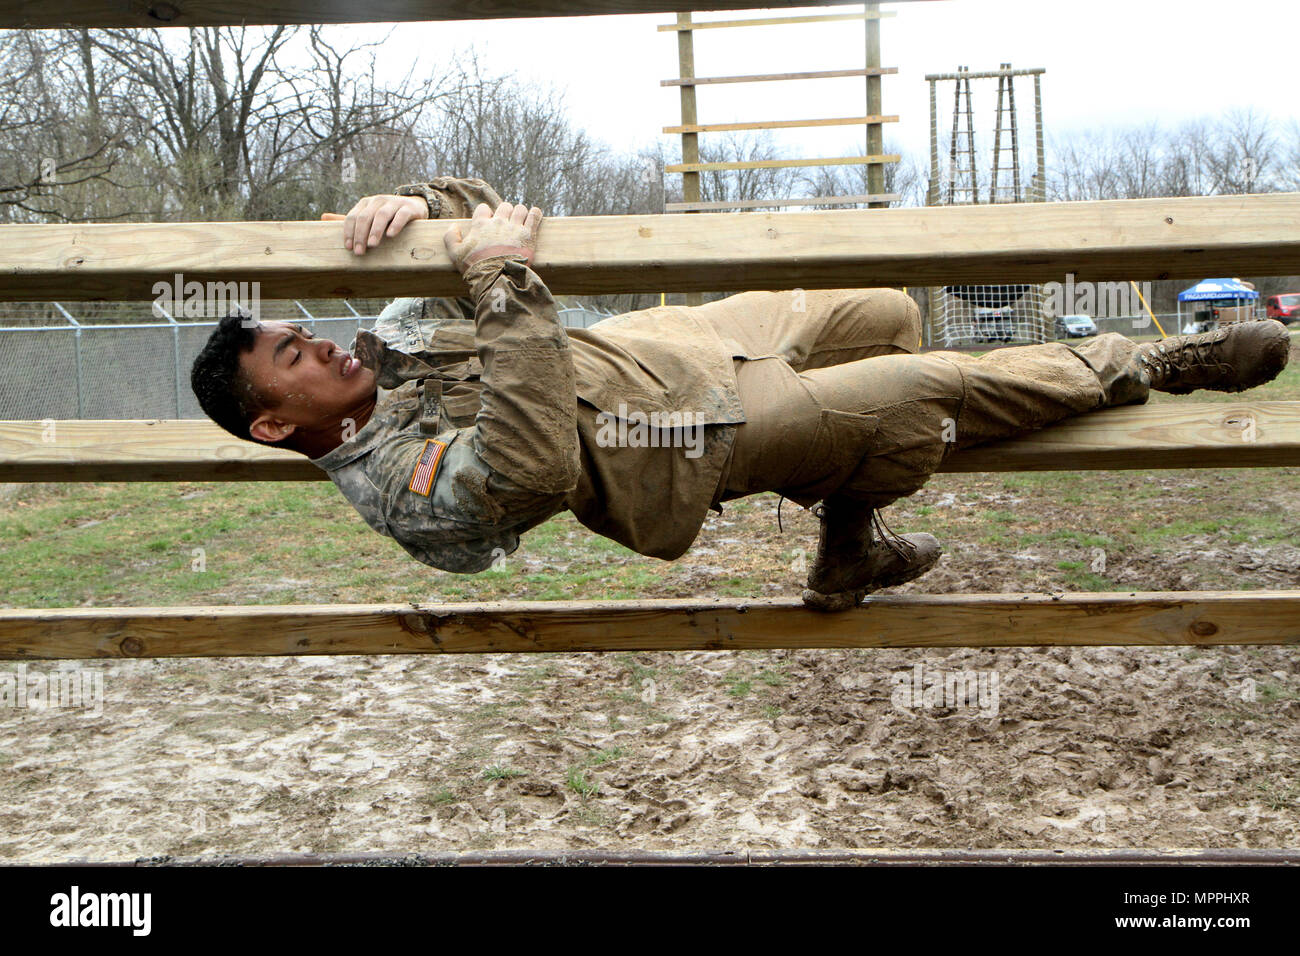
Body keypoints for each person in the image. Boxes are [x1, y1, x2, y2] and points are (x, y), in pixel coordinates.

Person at [190, 177, 1291, 610]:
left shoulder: (378, 351)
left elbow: (485, 211)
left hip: (678, 342)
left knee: (879, 310)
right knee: (922, 386)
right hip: (680, 438)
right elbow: (530, 463)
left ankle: (847, 546)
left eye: (303, 329)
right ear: (276, 421)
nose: (324, 342)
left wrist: (411, 202)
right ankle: (1144, 364)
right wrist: (495, 279)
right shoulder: (396, 488)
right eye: (293, 354)